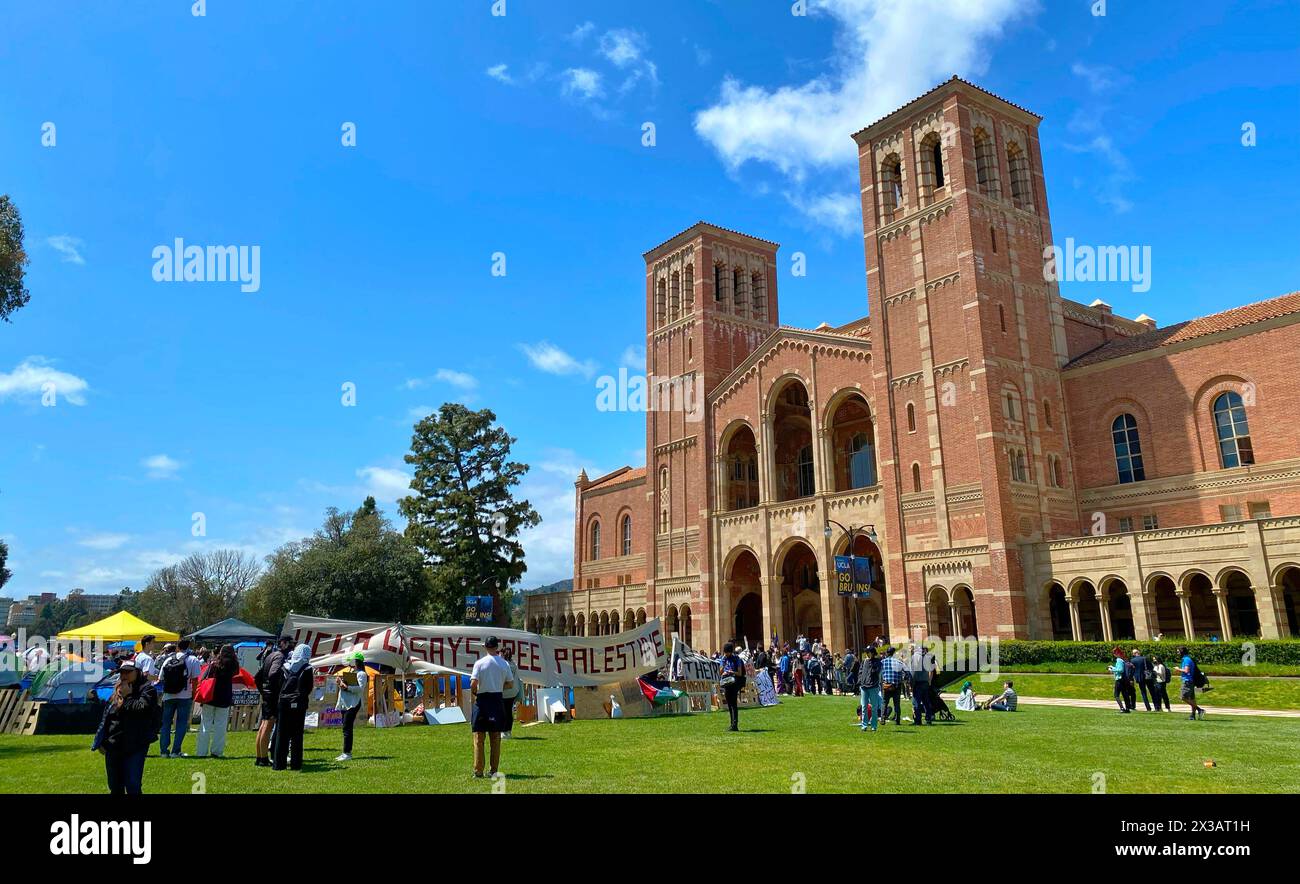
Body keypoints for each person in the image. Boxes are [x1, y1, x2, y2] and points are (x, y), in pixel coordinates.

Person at [92, 660, 160, 795]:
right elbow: (109, 717)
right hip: (114, 745)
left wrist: (128, 696)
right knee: (115, 786)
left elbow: (143, 709)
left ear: (137, 672)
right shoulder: (117, 689)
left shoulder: (147, 689)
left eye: (128, 672)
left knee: (133, 784)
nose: (124, 675)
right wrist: (102, 741)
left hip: (136, 745)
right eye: (122, 672)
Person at [469, 636, 514, 778]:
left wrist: (476, 693)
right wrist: (499, 686)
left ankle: (478, 771)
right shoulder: (504, 664)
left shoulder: (479, 663)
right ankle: (494, 770)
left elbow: (473, 684)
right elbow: (510, 684)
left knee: (478, 738)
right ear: (497, 647)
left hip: (482, 700)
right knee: (495, 738)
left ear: (485, 647)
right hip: (497, 700)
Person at [157, 639, 203, 758]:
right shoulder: (193, 659)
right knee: (181, 723)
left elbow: (161, 677)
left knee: (166, 723)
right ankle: (175, 751)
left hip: (168, 695)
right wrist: (193, 694)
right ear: (189, 646)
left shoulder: (168, 659)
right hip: (184, 695)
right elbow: (195, 679)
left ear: (177, 647)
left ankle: (163, 751)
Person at [196, 644, 242, 758]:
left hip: (210, 696)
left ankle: (201, 752)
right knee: (220, 726)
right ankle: (217, 751)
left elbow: (203, 678)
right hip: (224, 696)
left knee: (205, 724)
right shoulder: (234, 665)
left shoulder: (214, 664)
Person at [273, 643, 314, 771]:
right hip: (299, 704)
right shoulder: (307, 668)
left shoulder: (285, 666)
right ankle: (296, 764)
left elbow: (279, 685)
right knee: (297, 735)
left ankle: (279, 764)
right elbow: (309, 687)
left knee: (281, 734)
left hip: (284, 703)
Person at [253, 636, 290, 767]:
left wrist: (263, 691)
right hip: (273, 696)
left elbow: (257, 677)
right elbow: (273, 674)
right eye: (290, 644)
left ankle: (259, 757)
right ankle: (263, 758)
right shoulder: (279, 657)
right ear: (284, 644)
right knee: (268, 726)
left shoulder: (271, 655)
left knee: (263, 724)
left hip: (267, 694)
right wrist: (277, 689)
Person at [334, 652, 368, 762]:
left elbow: (360, 688)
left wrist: (346, 687)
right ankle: (345, 752)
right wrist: (340, 683)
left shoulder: (361, 674)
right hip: (346, 702)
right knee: (345, 727)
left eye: (352, 661)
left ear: (357, 661)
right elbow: (346, 687)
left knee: (347, 728)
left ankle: (347, 753)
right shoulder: (352, 672)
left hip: (353, 703)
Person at [719, 641, 746, 732]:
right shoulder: (724, 659)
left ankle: (735, 724)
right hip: (726, 682)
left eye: (727, 652)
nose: (725, 654)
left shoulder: (736, 659)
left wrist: (732, 672)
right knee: (729, 704)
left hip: (734, 682)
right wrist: (724, 668)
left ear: (730, 651)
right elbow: (720, 672)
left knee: (733, 704)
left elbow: (740, 673)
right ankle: (732, 724)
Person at [1174, 646, 1205, 720]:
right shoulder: (1187, 659)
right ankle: (1193, 715)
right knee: (1192, 699)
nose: (1177, 653)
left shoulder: (1186, 659)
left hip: (1187, 681)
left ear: (1182, 652)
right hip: (1190, 681)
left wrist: (1178, 669)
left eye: (1178, 652)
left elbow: (1186, 671)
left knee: (1183, 697)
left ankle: (1199, 709)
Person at [858, 646, 883, 732]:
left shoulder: (878, 662)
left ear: (873, 653)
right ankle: (864, 725)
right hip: (864, 686)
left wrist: (873, 665)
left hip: (873, 687)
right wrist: (860, 681)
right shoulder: (864, 661)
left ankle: (873, 726)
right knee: (864, 707)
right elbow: (860, 672)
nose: (867, 654)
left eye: (869, 652)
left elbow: (877, 672)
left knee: (874, 707)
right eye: (867, 652)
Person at [908, 644, 933, 725]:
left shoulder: (915, 657)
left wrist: (911, 684)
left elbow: (913, 673)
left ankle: (918, 720)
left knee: (916, 703)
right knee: (926, 702)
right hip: (925, 682)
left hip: (918, 683)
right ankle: (928, 719)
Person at [500, 646, 522, 739]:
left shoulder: (502, 664)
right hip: (513, 691)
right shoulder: (514, 663)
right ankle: (508, 731)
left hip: (505, 690)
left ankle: (504, 731)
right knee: (509, 711)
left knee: (503, 711)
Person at [879, 645, 904, 725]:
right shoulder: (899, 662)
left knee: (884, 703)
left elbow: (879, 674)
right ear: (894, 653)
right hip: (896, 686)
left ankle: (883, 719)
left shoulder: (882, 662)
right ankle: (897, 720)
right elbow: (904, 673)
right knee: (897, 704)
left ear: (887, 653)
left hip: (886, 685)